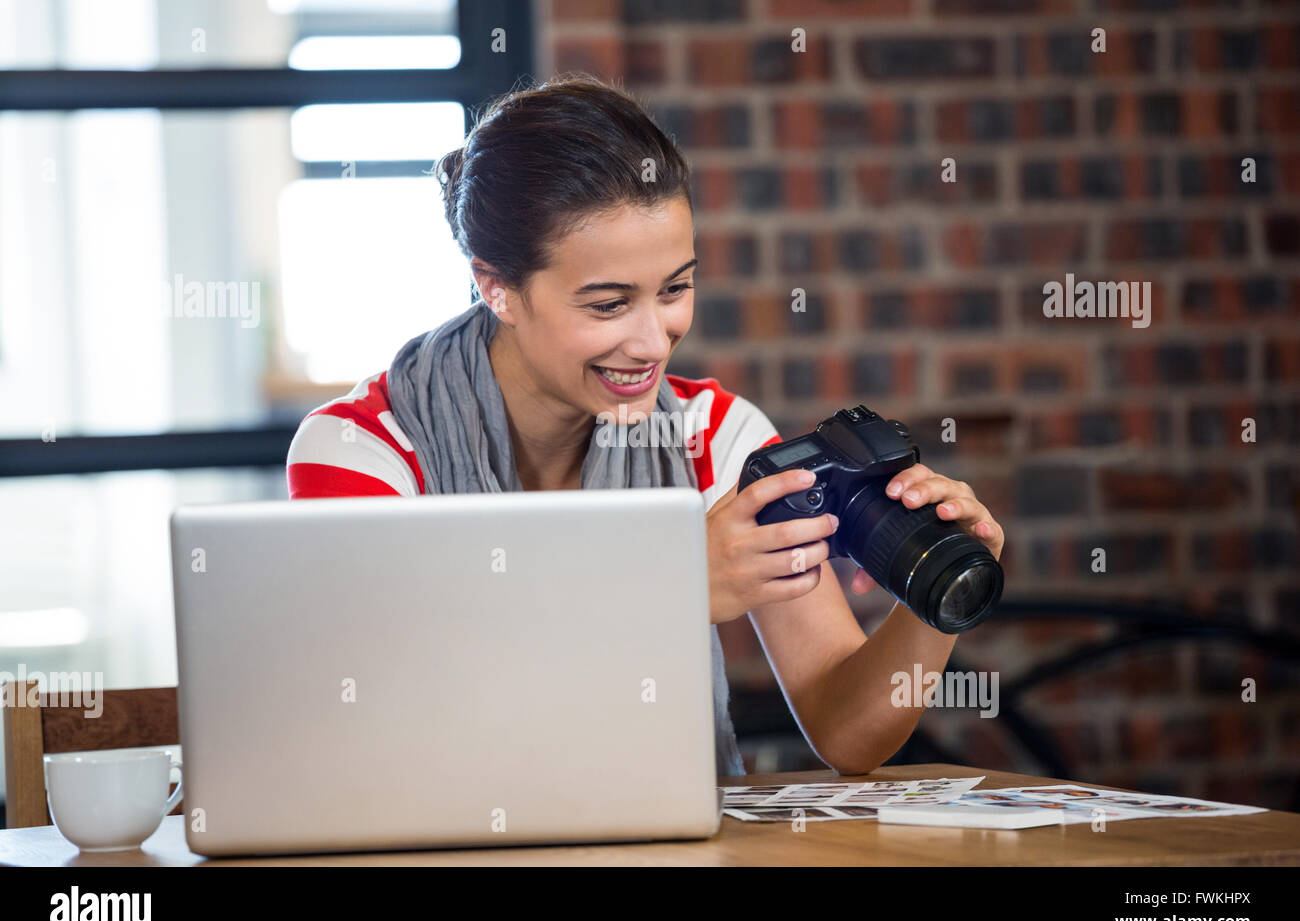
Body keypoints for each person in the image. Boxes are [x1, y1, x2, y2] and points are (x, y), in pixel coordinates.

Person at [285, 74, 1005, 777]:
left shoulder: (715, 436)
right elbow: (384, 725)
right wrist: (669, 588)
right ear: (496, 287)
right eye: (607, 305)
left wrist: (934, 592)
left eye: (675, 289)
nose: (654, 341)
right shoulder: (363, 452)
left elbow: (845, 732)